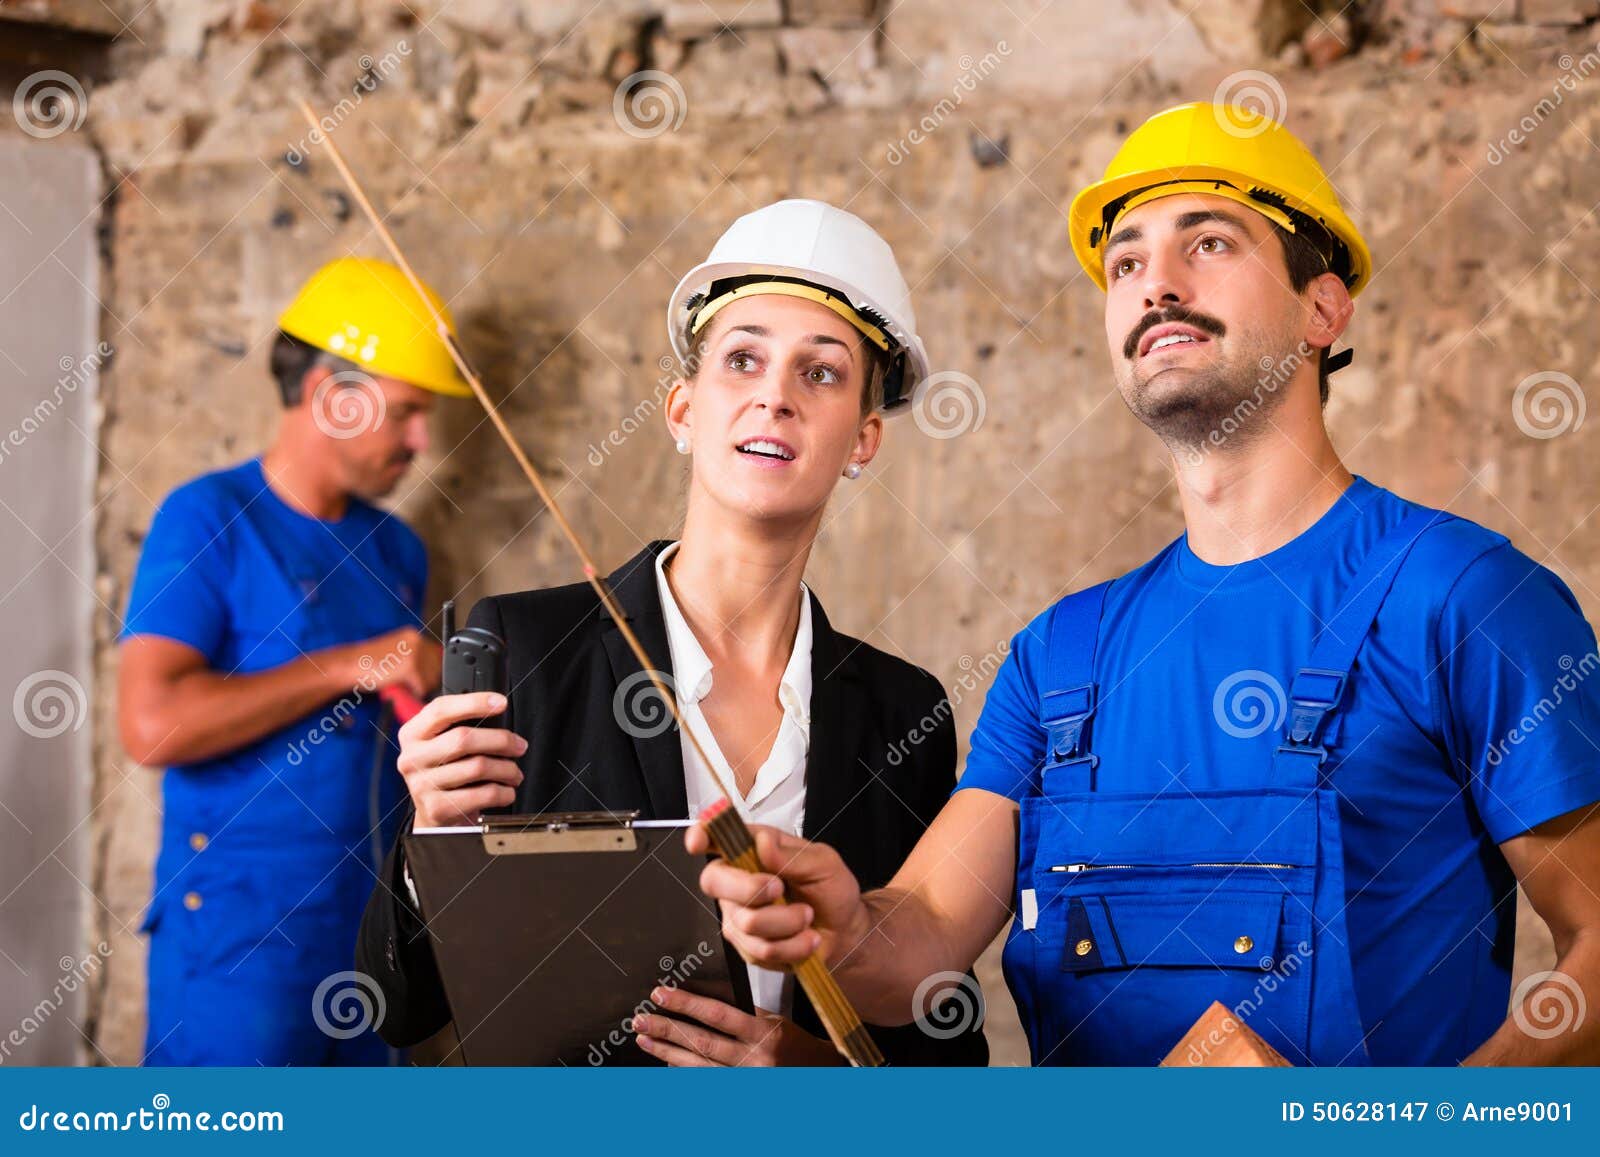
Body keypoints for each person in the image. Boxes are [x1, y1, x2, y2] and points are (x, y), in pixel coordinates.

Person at [692, 103, 1600, 1067]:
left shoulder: (1463, 598)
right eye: (1125, 263)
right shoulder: (1061, 657)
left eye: (1208, 243)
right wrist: (847, 925)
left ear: (1323, 308)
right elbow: (915, 944)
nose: (1156, 285)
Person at [357, 199, 988, 1066]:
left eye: (822, 372)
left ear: (863, 440)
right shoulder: (531, 652)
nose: (775, 394)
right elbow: (398, 1004)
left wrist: (806, 1074)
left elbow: (941, 1057)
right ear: (685, 412)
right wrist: (432, 835)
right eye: (743, 359)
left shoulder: (901, 713)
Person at [119, 257, 469, 1065]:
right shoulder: (207, 517)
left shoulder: (396, 549)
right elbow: (151, 724)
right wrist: (356, 662)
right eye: (409, 414)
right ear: (330, 396)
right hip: (243, 950)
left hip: (368, 936)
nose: (422, 443)